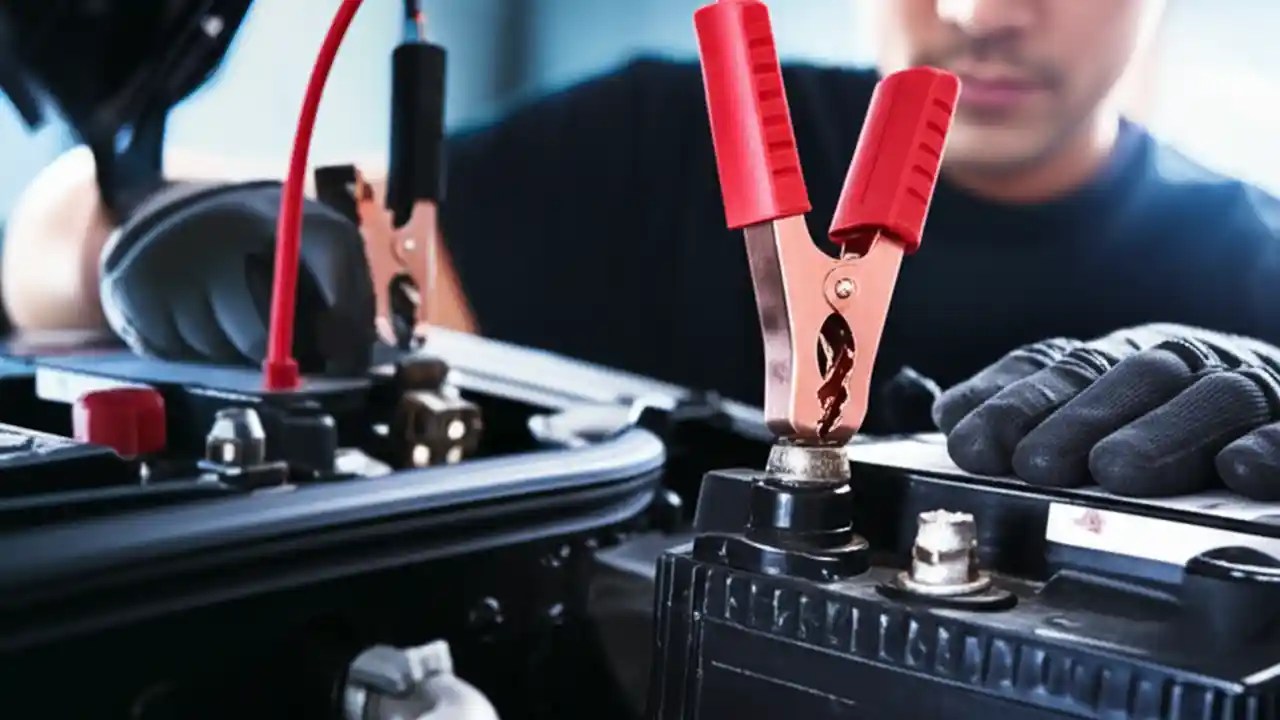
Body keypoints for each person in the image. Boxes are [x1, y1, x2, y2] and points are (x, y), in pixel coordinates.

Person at [2, 0, 1278, 497]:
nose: (982, 13)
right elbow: (61, 225)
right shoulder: (650, 139)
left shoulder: (1251, 279)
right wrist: (181, 236)